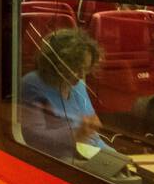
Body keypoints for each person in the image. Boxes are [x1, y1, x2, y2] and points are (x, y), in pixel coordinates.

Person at [19, 27, 110, 160]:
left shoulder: (78, 86)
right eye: (76, 69)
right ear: (57, 64)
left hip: (83, 158)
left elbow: (93, 138)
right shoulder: (32, 83)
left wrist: (118, 159)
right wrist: (76, 135)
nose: (81, 76)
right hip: (54, 162)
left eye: (85, 69)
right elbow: (33, 139)